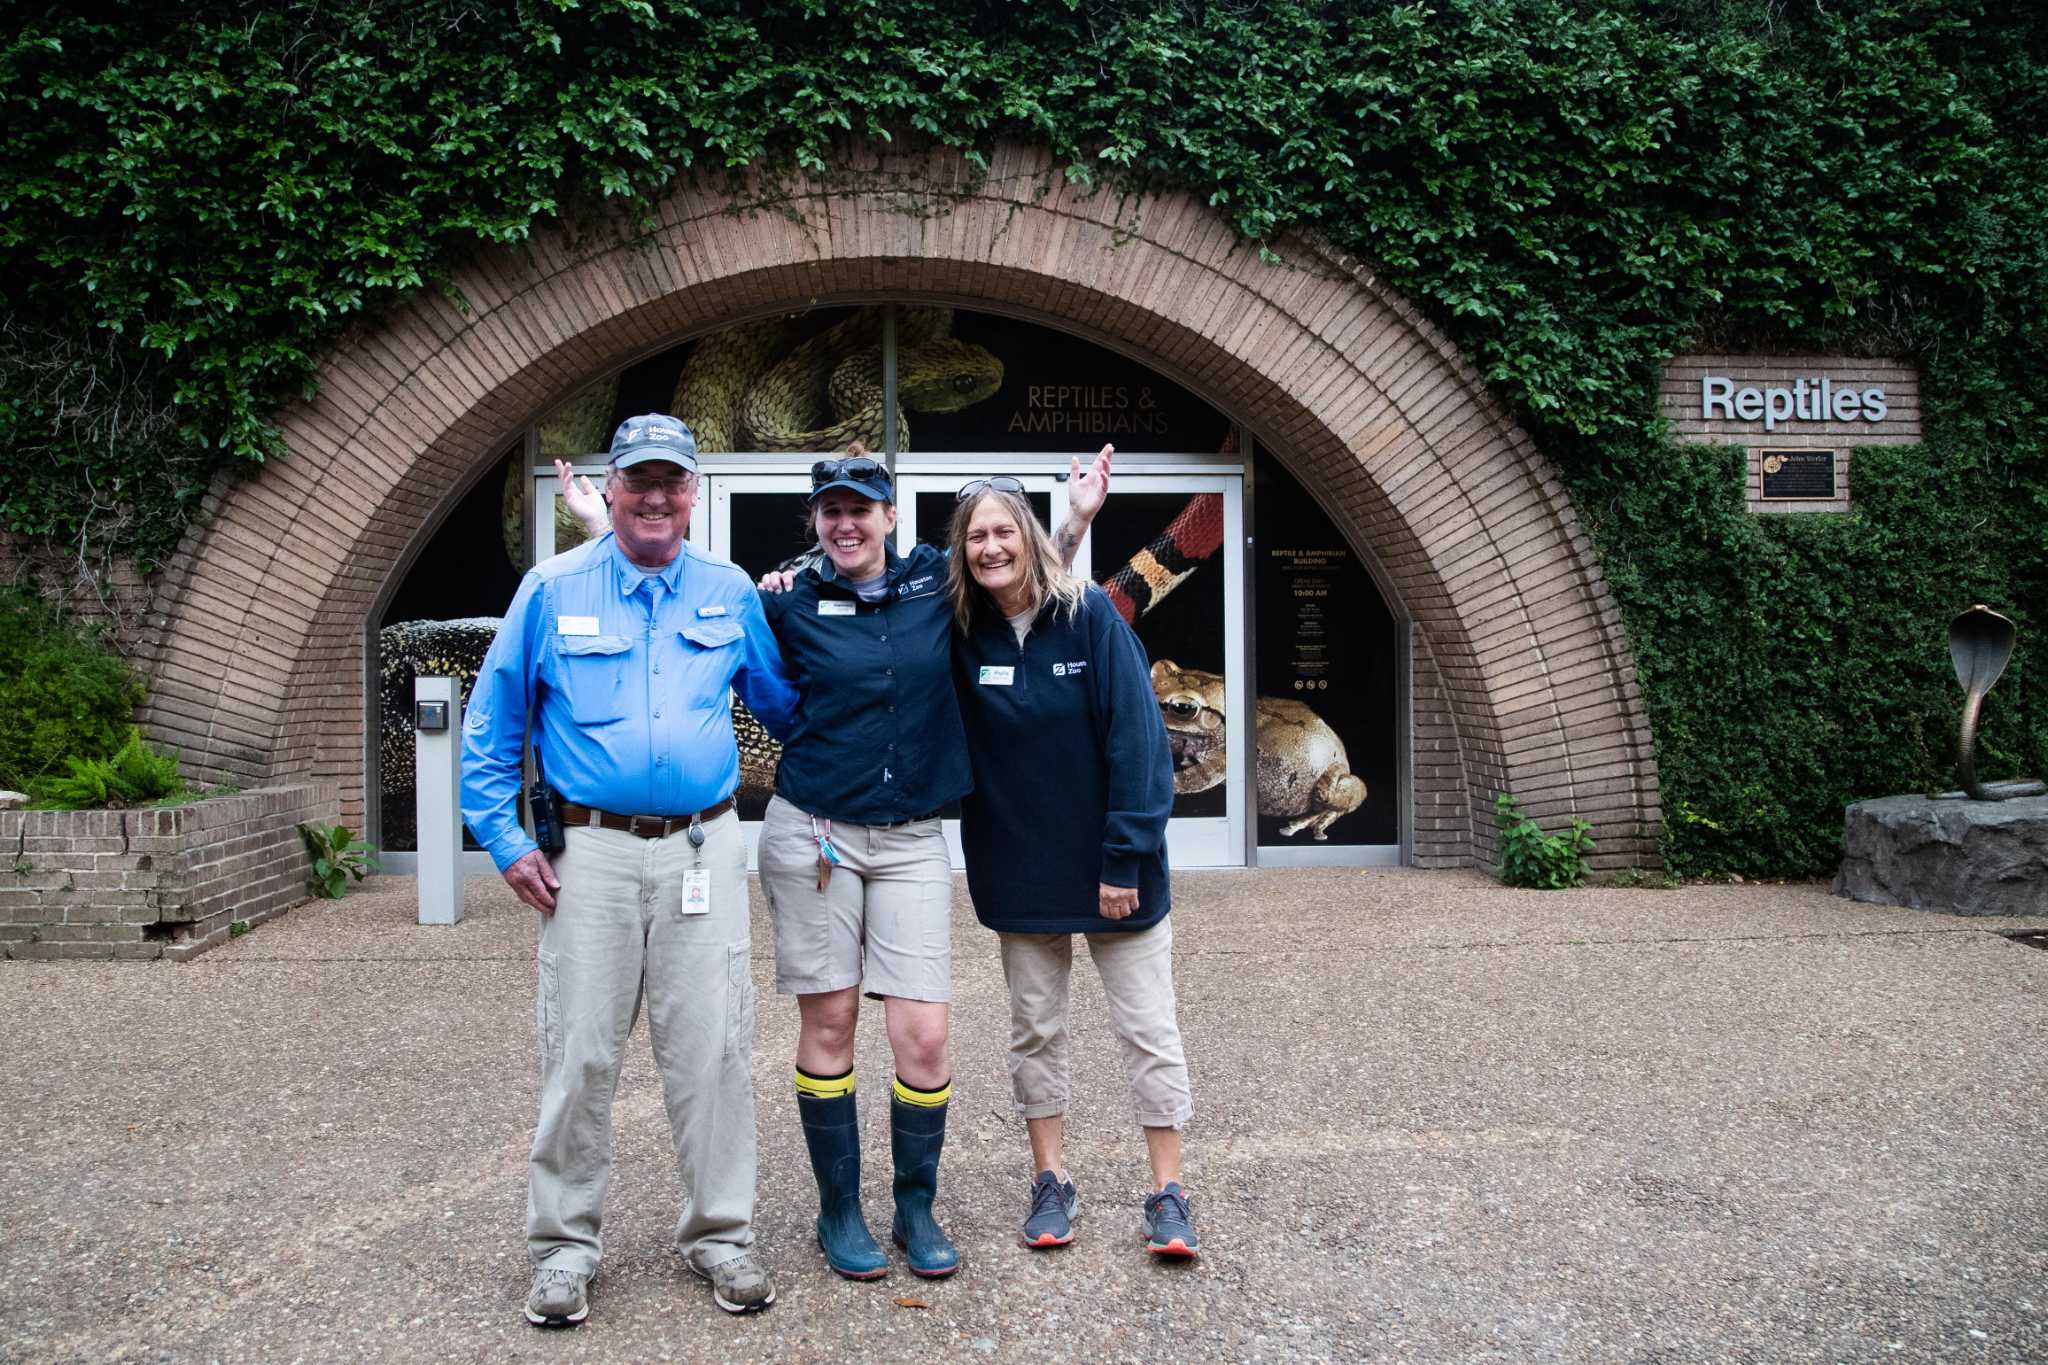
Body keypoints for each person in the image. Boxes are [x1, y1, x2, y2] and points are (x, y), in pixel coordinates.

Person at [562, 440, 1112, 1282]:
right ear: (816, 524)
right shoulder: (782, 599)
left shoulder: (940, 582)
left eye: (862, 508)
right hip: (813, 832)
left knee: (923, 1035)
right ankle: (839, 1209)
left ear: (892, 516)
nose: (847, 523)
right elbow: (675, 597)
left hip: (910, 836)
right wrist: (603, 524)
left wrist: (1071, 523)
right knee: (831, 1023)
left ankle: (915, 1204)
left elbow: (1023, 588)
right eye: (832, 511)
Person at [462, 415, 798, 1328]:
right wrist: (505, 840)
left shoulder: (729, 592)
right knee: (579, 1052)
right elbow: (491, 729)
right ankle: (563, 1249)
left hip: (705, 845)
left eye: (673, 482)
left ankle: (721, 1234)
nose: (656, 496)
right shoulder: (551, 588)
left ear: (694, 494)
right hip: (590, 854)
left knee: (716, 1051)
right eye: (640, 480)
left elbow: (784, 702)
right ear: (610, 490)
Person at [945, 478, 1200, 1259]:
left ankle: (1168, 1191)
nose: (991, 547)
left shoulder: (1089, 617)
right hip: (1021, 875)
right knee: (1035, 1034)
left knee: (1148, 1031)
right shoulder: (961, 632)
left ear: (1028, 534)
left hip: (1116, 878)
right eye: (975, 536)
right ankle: (1050, 1181)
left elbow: (1138, 746)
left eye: (1003, 531)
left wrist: (1123, 858)